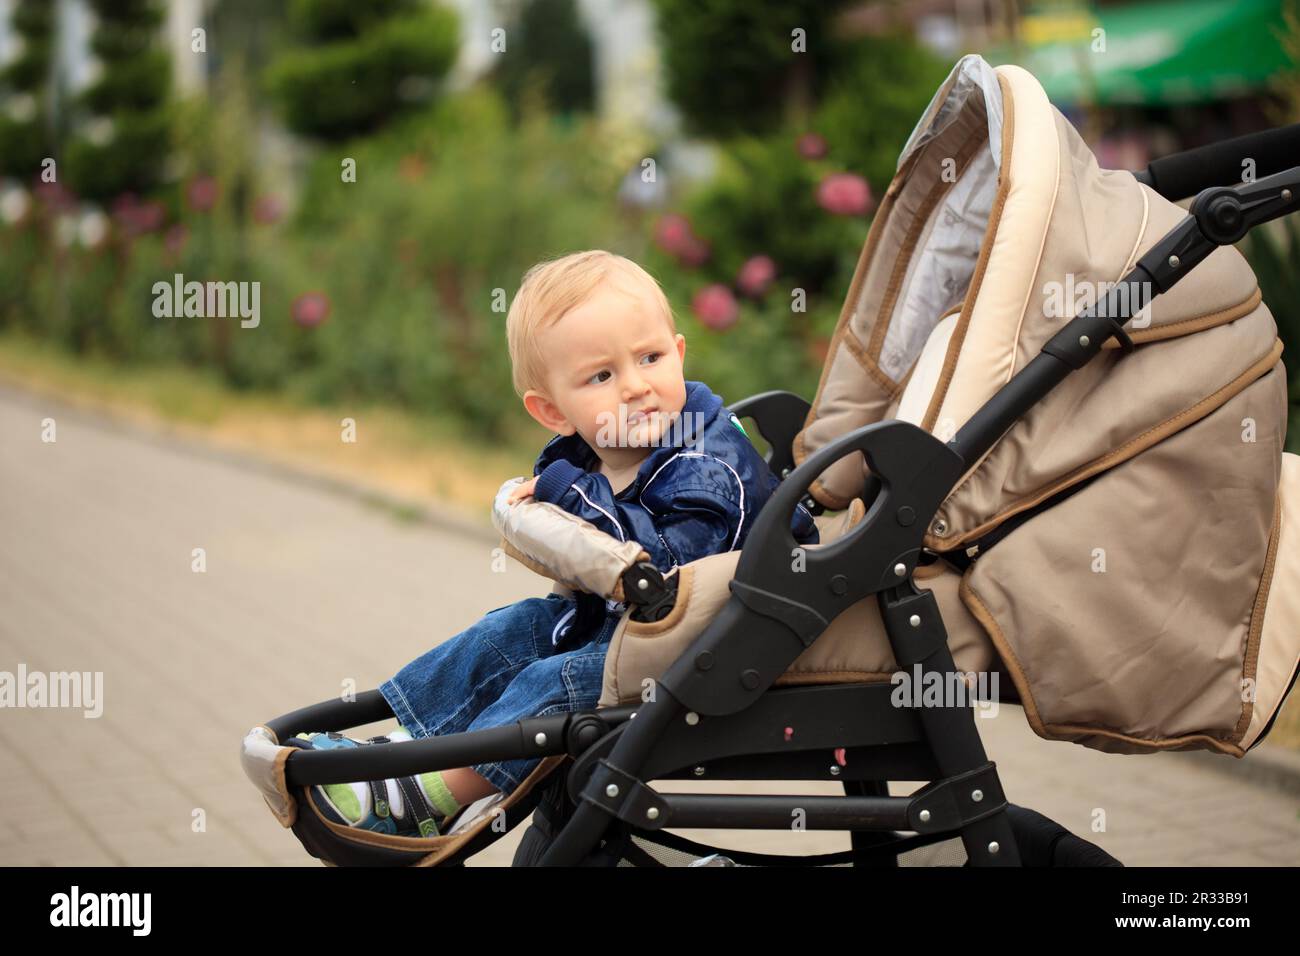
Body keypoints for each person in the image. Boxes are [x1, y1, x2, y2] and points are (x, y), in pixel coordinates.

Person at [298, 250, 819, 837]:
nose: (636, 387)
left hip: (716, 640)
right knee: (508, 630)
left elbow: (663, 566)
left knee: (559, 684)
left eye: (649, 358)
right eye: (602, 376)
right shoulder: (605, 450)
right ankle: (401, 749)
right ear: (553, 411)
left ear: (677, 353)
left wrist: (565, 494)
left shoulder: (708, 464)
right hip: (629, 624)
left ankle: (426, 801)